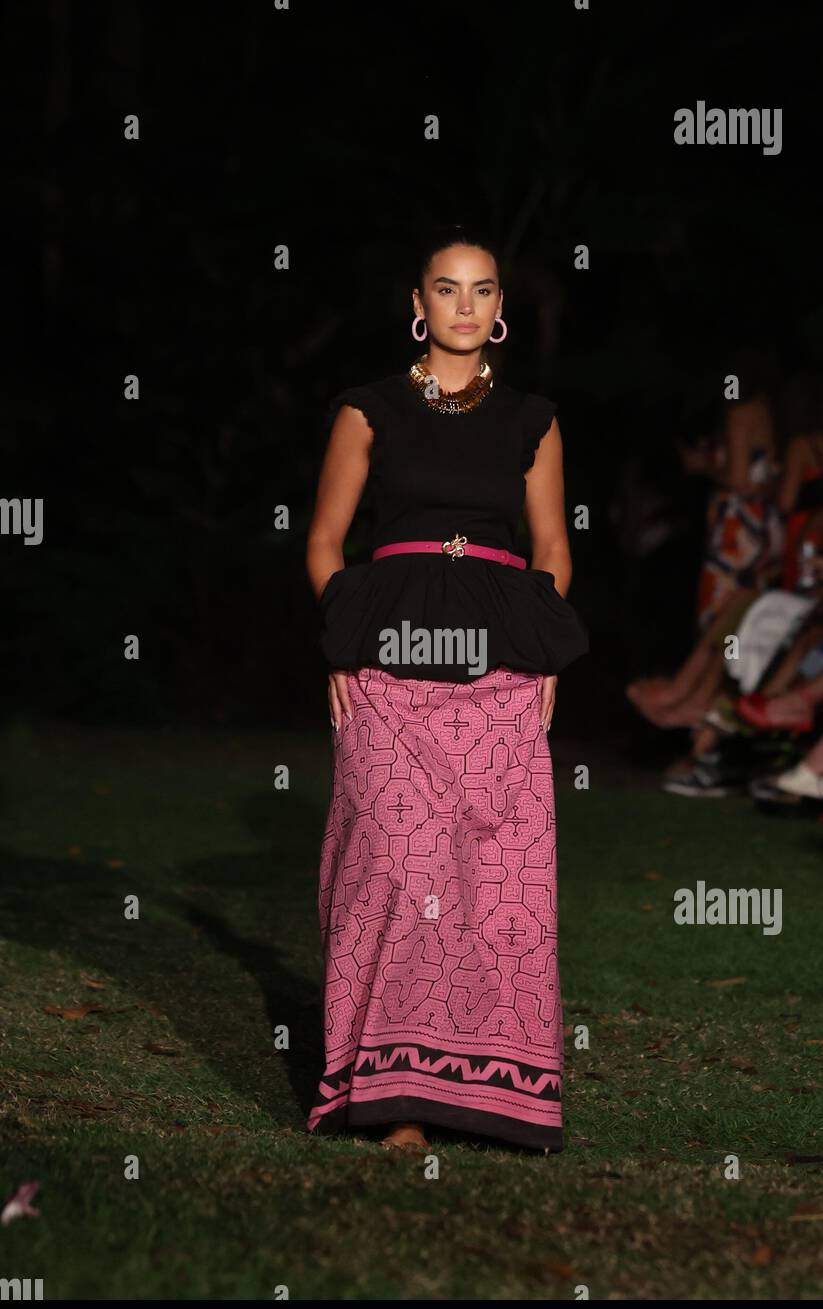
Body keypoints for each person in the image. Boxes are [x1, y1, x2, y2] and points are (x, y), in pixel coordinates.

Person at [304, 224, 588, 1155]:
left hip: (500, 663)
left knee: (496, 883)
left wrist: (543, 653)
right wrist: (342, 642)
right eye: (446, 288)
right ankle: (393, 1100)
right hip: (386, 660)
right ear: (416, 304)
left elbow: (552, 549)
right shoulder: (368, 409)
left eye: (482, 290)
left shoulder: (532, 420)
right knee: (395, 867)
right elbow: (324, 541)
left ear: (500, 309)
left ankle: (488, 1090)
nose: (465, 305)